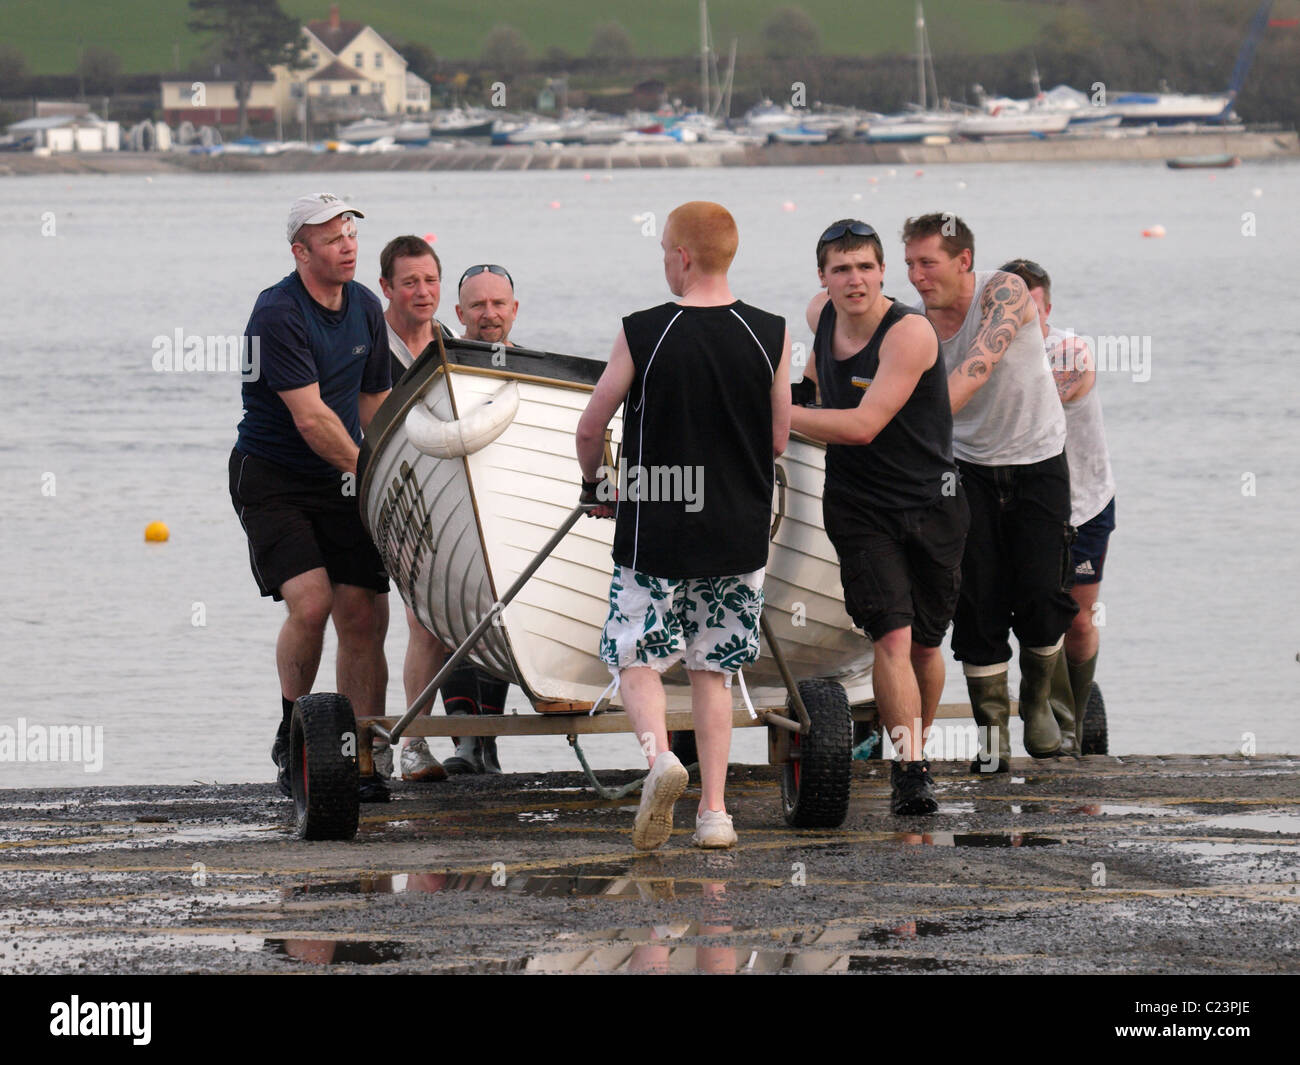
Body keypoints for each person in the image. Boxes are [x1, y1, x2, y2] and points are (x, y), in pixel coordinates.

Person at [576, 201, 792, 850]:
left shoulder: (644, 331)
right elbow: (778, 439)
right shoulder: (771, 333)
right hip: (738, 527)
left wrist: (596, 483)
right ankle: (715, 814)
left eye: (665, 249)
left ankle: (660, 760)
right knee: (713, 667)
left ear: (683, 256)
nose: (664, 260)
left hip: (653, 522)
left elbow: (591, 425)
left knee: (635, 654)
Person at [791, 220, 968, 812]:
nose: (855, 280)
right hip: (860, 506)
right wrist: (797, 397)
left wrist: (774, 417)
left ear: (883, 271)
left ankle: (915, 748)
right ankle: (910, 771)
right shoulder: (820, 316)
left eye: (866, 267)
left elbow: (863, 426)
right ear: (823, 278)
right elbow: (819, 380)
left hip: (932, 501)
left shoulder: (910, 333)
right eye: (841, 269)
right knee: (890, 635)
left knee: (924, 644)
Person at [229, 192, 392, 802]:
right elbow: (312, 418)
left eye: (351, 233)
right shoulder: (277, 313)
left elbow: (372, 402)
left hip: (342, 476)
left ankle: (361, 755)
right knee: (313, 602)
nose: (347, 245)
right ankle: (292, 727)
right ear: (301, 251)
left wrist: (391, 468)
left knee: (365, 613)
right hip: (273, 476)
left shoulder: (368, 306)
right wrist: (369, 471)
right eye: (332, 239)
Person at [902, 213, 1077, 771]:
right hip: (966, 468)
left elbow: (978, 366)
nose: (917, 276)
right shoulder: (912, 321)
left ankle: (1040, 701)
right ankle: (993, 730)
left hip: (1037, 460)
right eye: (909, 264)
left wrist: (910, 426)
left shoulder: (1005, 290)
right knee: (976, 601)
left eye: (927, 262)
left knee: (1041, 592)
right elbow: (827, 313)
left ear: (964, 261)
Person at [1000, 259, 1116, 753]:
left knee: (1077, 617)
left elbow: (1047, 398)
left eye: (1033, 305)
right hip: (1018, 502)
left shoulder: (1067, 350)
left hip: (1083, 502)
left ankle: (1069, 719)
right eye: (1012, 305)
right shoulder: (986, 351)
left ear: (1047, 307)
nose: (1025, 314)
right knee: (1016, 609)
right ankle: (1031, 712)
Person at [375, 234, 457, 783]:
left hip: (444, 494)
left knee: (436, 622)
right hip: (387, 491)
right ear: (387, 287)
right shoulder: (368, 342)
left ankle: (426, 744)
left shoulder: (449, 340)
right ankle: (393, 746)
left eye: (430, 280)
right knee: (405, 621)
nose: (423, 292)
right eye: (410, 282)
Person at [436, 262, 523, 775]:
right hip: (453, 510)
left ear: (514, 309)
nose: (488, 314)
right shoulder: (443, 365)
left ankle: (485, 742)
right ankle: (466, 744)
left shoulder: (534, 366)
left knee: (501, 620)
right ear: (460, 312)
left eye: (498, 304)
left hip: (509, 512)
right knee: (453, 620)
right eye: (477, 305)